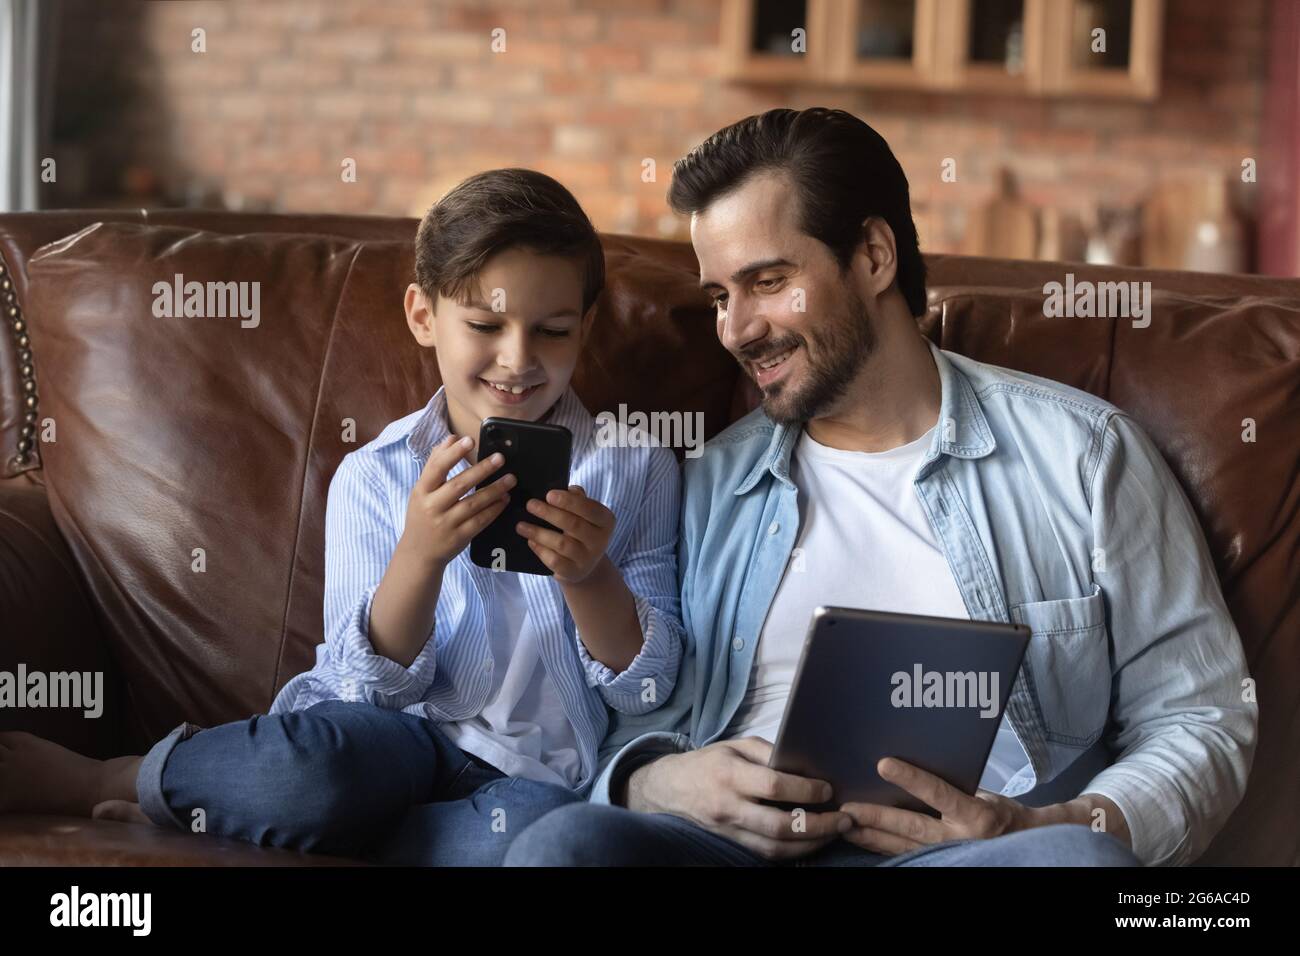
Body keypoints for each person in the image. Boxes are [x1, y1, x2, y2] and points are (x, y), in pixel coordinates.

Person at [505, 109, 1257, 868]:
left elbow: (1203, 717)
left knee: (1079, 863)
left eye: (768, 282)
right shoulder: (706, 482)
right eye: (719, 297)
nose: (735, 330)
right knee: (565, 843)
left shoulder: (1085, 458)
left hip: (969, 860)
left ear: (872, 256)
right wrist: (661, 783)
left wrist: (1046, 827)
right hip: (732, 852)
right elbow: (634, 707)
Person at [0, 168, 686, 866]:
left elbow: (651, 686)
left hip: (531, 780)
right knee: (311, 771)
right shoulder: (375, 473)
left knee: (545, 838)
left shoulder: (637, 468)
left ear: (587, 326)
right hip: (381, 746)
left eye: (553, 331)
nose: (517, 359)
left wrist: (590, 578)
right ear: (424, 316)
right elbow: (367, 689)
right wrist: (419, 558)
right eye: (484, 325)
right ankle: (117, 778)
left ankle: (278, 820)